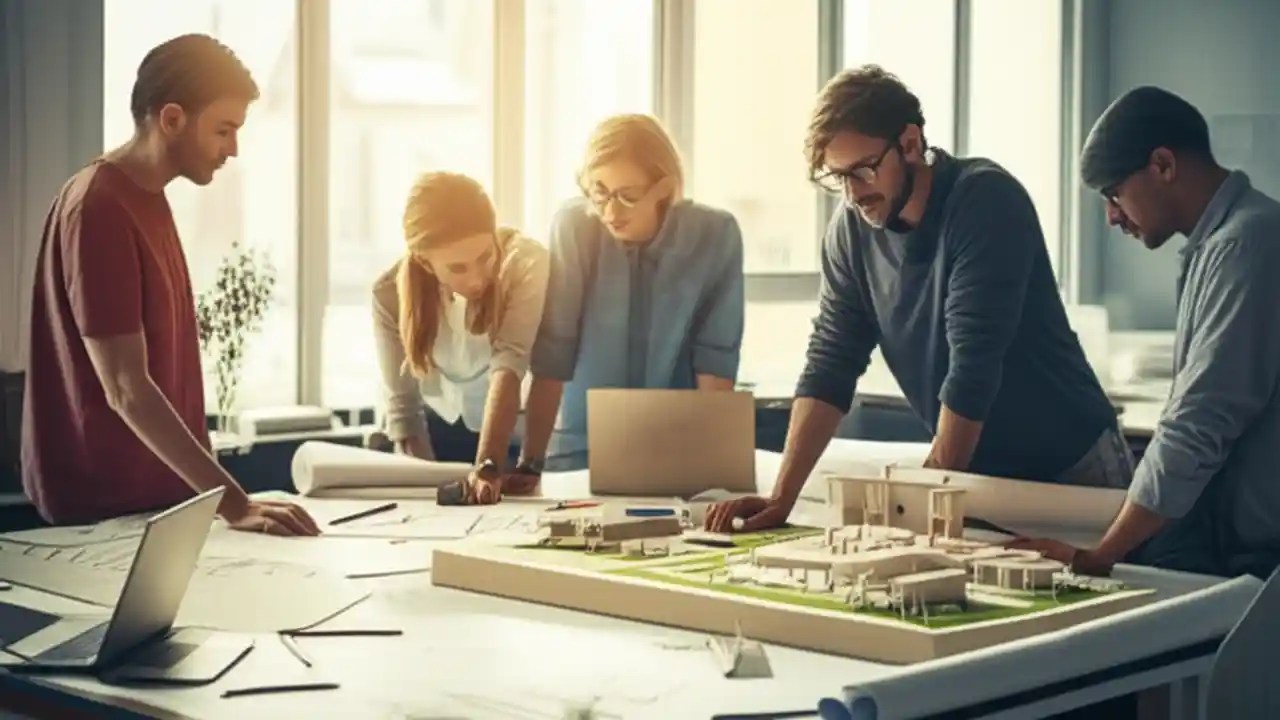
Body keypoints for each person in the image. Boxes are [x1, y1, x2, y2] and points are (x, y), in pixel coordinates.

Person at [706, 65, 1126, 533]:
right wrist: (781, 498)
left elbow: (973, 365)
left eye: (863, 170)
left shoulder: (985, 200)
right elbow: (830, 363)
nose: (852, 194)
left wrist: (924, 502)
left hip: (1072, 473)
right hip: (976, 478)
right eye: (837, 177)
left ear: (909, 143)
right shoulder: (850, 233)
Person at [22, 34, 319, 535]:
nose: (234, 149)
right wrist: (234, 504)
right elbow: (125, 389)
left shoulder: (149, 199)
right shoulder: (98, 207)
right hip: (105, 509)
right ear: (173, 118)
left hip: (160, 502)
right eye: (224, 130)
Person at [1009, 87, 1280, 579]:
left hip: (1262, 553)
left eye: (1114, 194)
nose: (1112, 216)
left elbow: (1199, 422)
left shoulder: (1248, 243)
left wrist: (1100, 557)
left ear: (1162, 165)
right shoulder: (1218, 245)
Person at [507, 113, 745, 484]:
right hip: (579, 447)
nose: (610, 212)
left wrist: (716, 476)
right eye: (598, 192)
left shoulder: (715, 234)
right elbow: (554, 351)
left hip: (676, 445)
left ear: (664, 189)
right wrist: (530, 463)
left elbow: (715, 359)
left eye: (628, 196)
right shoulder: (574, 225)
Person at [372, 172, 550, 504]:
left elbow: (510, 362)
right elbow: (404, 407)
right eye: (457, 268)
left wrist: (488, 468)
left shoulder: (526, 263)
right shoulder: (387, 294)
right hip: (429, 432)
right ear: (425, 261)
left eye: (485, 257)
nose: (478, 278)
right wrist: (425, 490)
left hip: (506, 438)